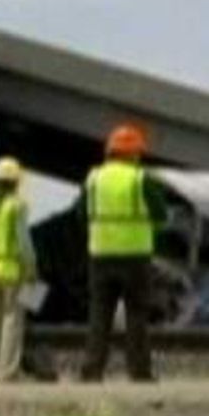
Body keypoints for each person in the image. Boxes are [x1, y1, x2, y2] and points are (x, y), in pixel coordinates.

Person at [79, 123, 166, 383]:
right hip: (135, 256)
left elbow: (83, 214)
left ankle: (92, 371)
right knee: (136, 315)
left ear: (111, 152)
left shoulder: (94, 179)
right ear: (132, 154)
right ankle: (139, 372)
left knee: (99, 314)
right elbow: (161, 214)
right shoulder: (141, 179)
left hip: (101, 254)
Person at [0, 158, 39, 382]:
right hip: (11, 271)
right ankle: (7, 372)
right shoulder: (17, 206)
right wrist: (31, 268)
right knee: (12, 321)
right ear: (15, 183)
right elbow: (24, 242)